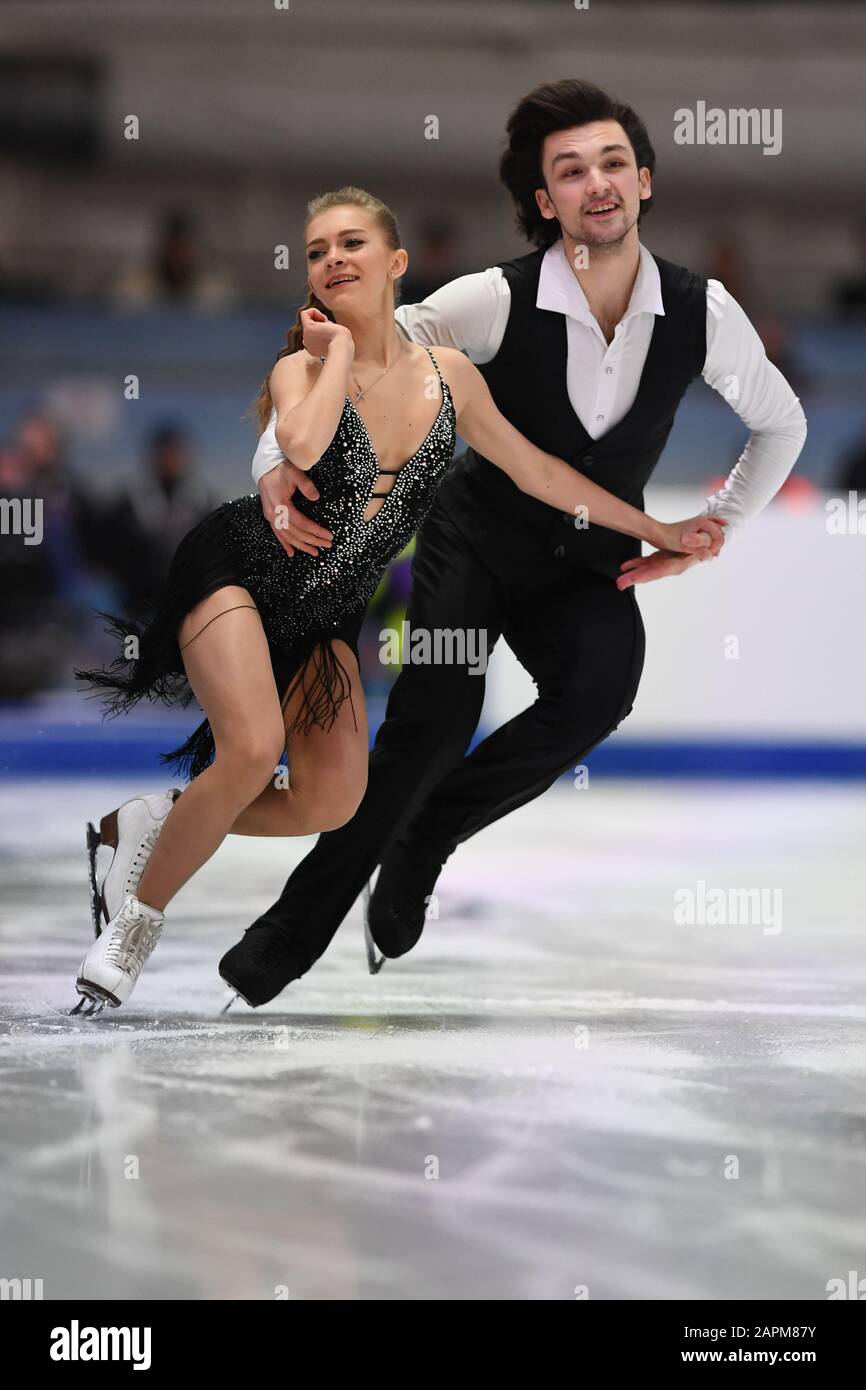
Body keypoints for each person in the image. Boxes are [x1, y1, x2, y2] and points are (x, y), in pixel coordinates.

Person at [217, 79, 806, 1005]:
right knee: (430, 729)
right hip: (477, 543)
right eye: (570, 172)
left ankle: (428, 835)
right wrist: (270, 461)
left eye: (614, 164)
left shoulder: (703, 314)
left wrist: (716, 528)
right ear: (545, 202)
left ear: (645, 182)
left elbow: (783, 425)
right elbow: (353, 351)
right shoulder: (495, 299)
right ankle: (283, 942)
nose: (596, 183)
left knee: (601, 689)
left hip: (588, 559)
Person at [71, 184, 725, 1015]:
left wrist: (656, 528)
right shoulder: (300, 365)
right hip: (240, 575)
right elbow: (301, 441)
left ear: (398, 264)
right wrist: (337, 352)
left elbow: (542, 474)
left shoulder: (451, 377)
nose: (332, 259)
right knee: (250, 748)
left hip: (326, 618)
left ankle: (150, 824)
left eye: (350, 243)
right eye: (316, 252)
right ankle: (133, 928)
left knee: (332, 798)